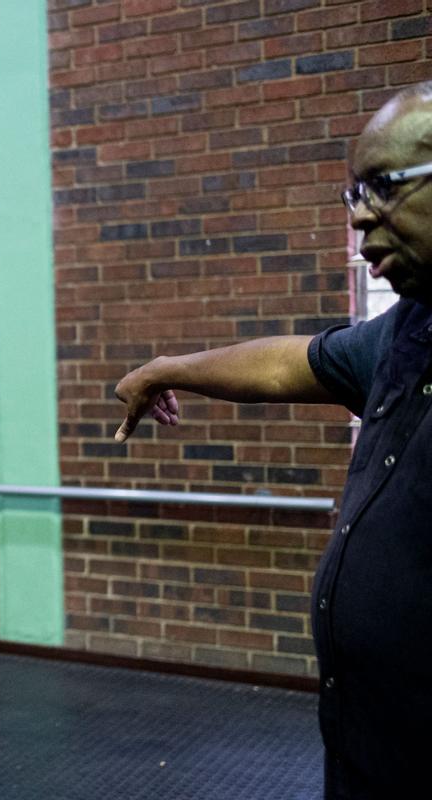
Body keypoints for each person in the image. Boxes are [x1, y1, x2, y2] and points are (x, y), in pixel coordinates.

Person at [113, 81, 432, 799]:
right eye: (353, 195)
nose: (362, 221)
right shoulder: (410, 329)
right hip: (372, 750)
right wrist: (170, 368)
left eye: (382, 187)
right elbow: (290, 363)